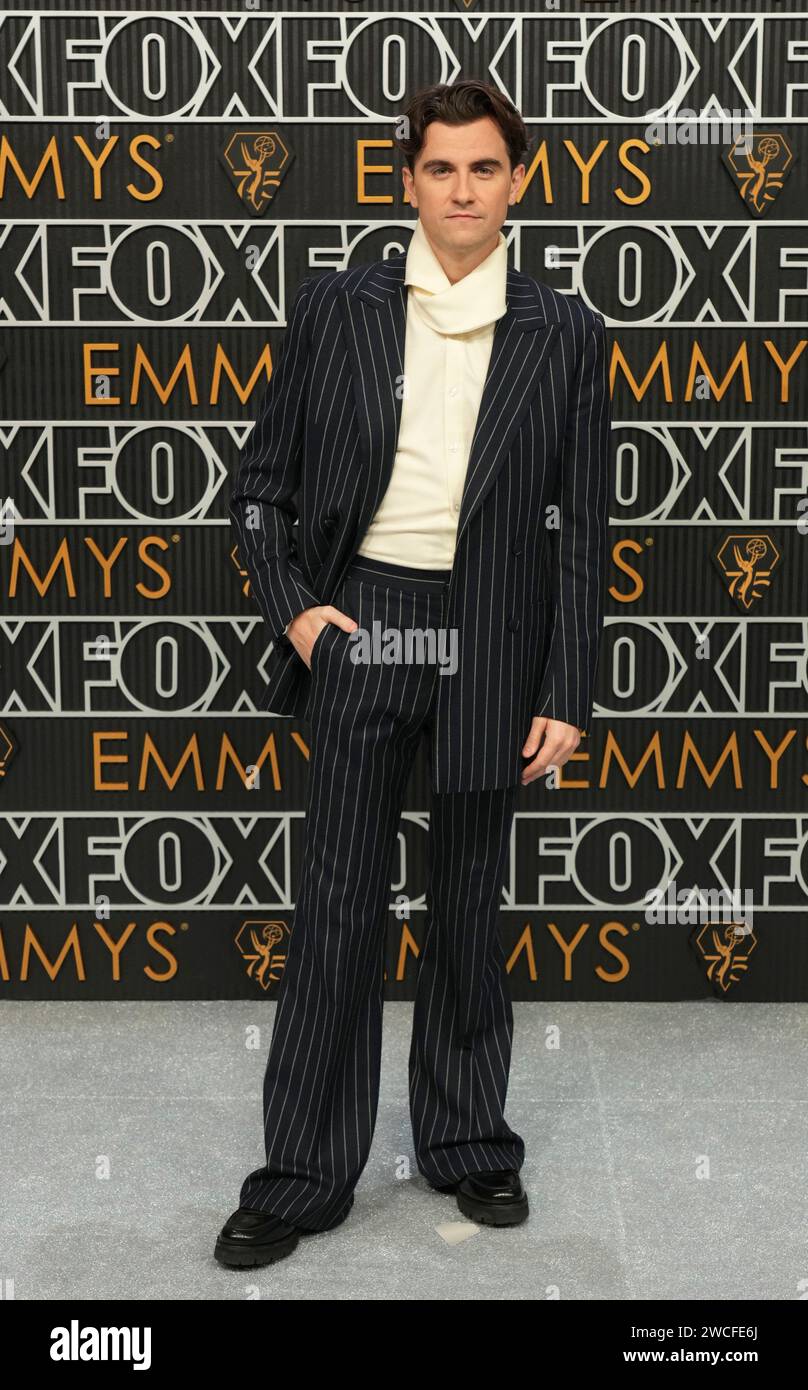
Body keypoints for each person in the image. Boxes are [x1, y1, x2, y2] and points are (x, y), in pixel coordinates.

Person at [215, 78, 611, 1268]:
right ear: (408, 180)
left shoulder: (568, 329)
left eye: (484, 169)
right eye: (440, 169)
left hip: (493, 629)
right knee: (335, 909)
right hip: (366, 621)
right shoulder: (337, 308)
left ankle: (467, 1142)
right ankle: (299, 1175)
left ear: (518, 182)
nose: (462, 191)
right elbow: (257, 490)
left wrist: (568, 690)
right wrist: (298, 616)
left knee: (470, 909)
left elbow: (585, 526)